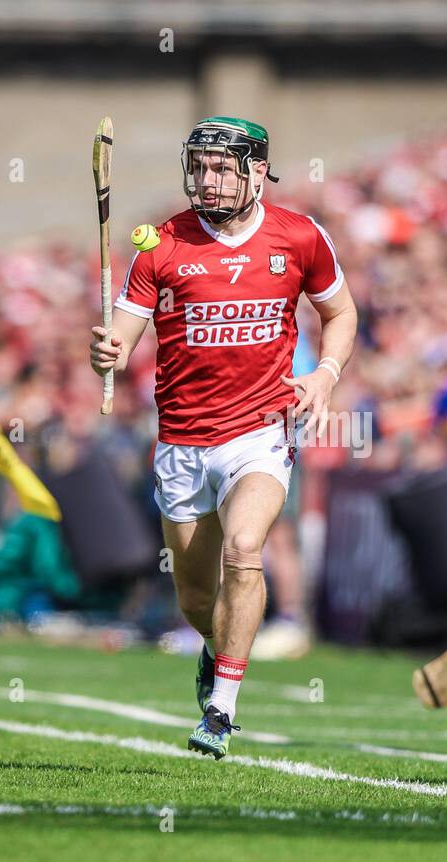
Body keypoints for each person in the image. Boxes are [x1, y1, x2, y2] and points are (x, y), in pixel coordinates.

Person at [92, 117, 358, 758]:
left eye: (221, 168)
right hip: (182, 439)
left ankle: (221, 712)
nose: (206, 181)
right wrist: (106, 351)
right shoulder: (159, 244)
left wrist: (324, 375)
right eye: (200, 167)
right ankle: (215, 651)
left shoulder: (300, 236)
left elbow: (340, 313)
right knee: (194, 595)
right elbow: (121, 341)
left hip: (260, 430)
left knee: (245, 549)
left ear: (257, 171)